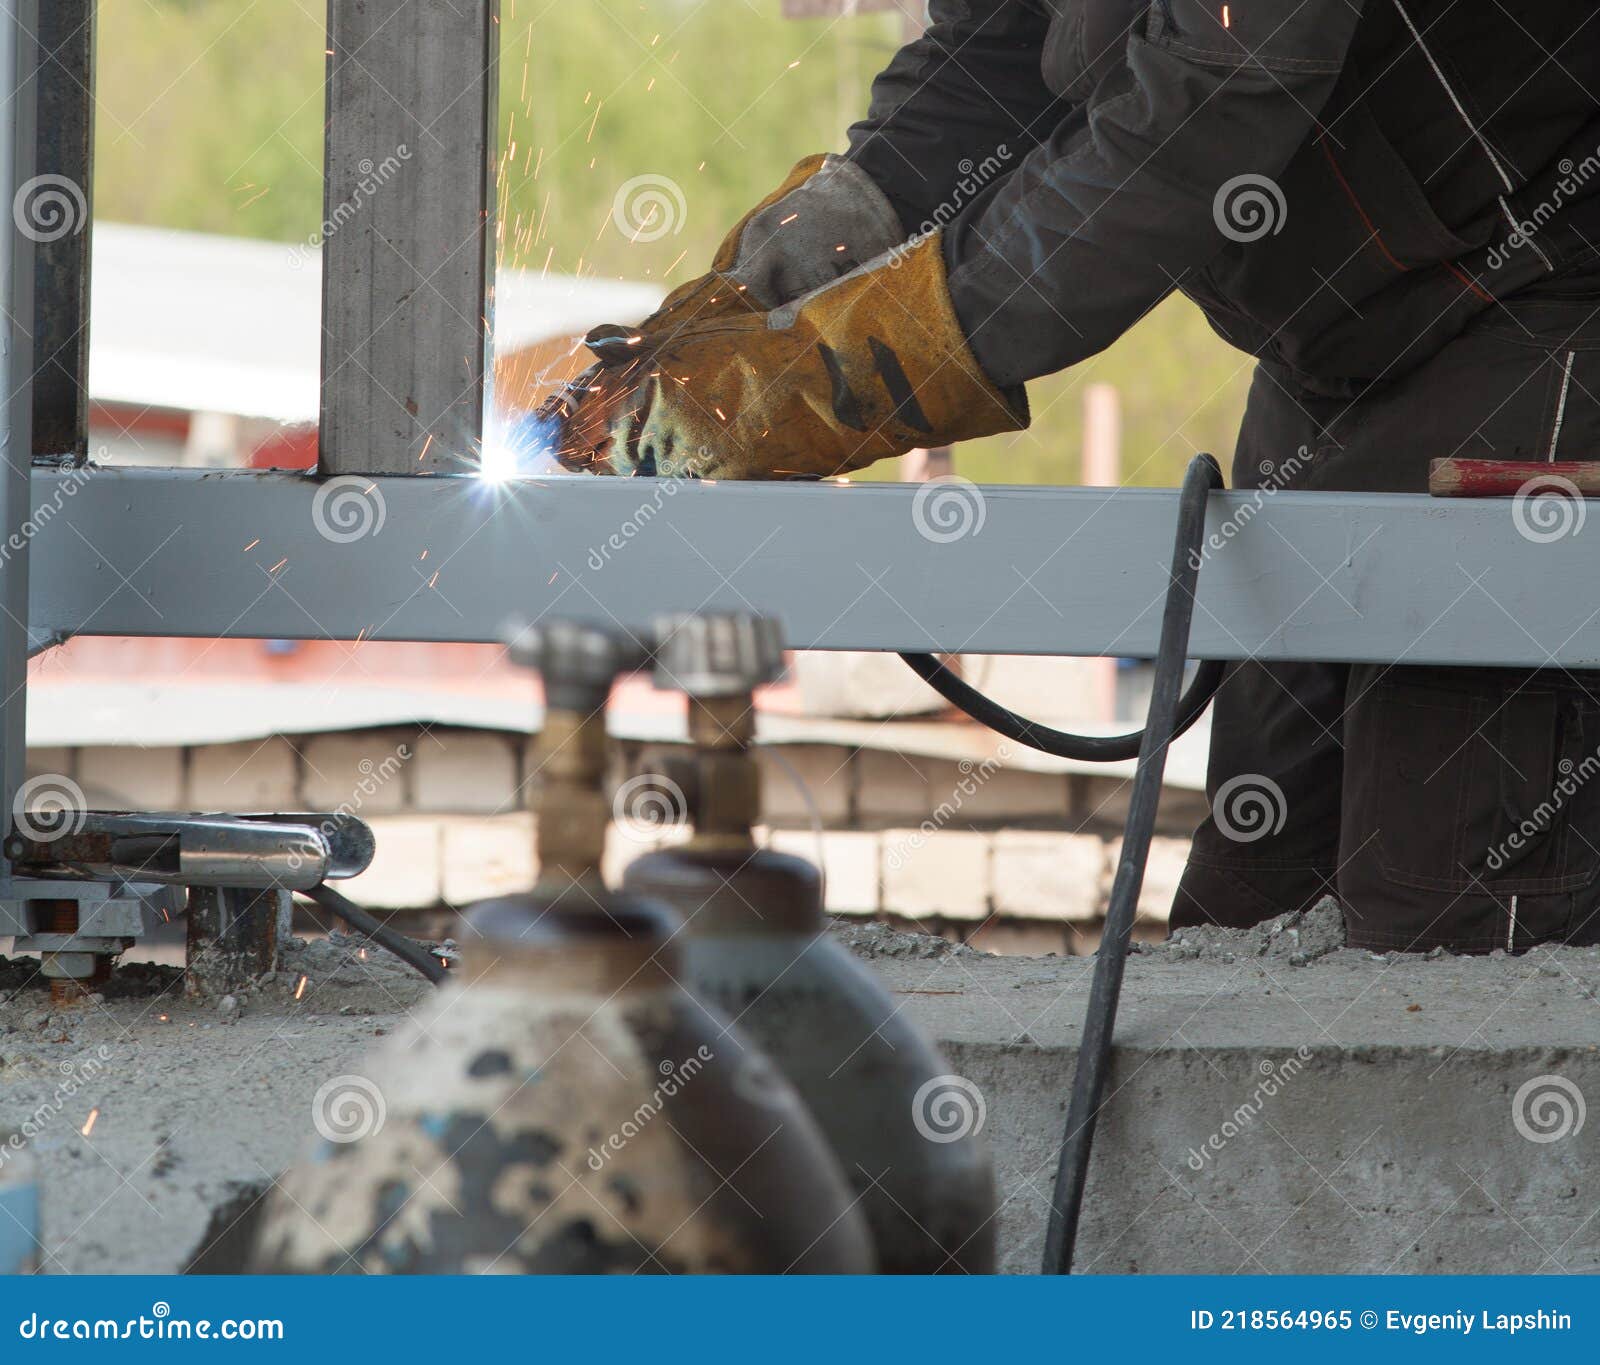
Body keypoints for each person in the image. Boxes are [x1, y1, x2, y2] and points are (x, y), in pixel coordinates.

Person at [544, 1, 1600, 954]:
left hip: (1542, 307)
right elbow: (999, 47)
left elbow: (1214, 96)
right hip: (1326, 342)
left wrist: (864, 364)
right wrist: (815, 252)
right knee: (1251, 906)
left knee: (1452, 916)